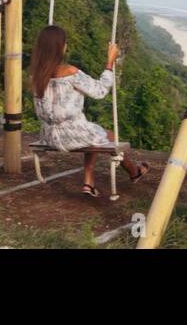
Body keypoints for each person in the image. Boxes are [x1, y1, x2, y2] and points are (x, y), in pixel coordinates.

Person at [29, 25, 150, 197]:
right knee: (106, 135)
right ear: (60, 47)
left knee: (93, 131)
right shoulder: (70, 72)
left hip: (49, 136)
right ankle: (126, 173)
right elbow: (100, 91)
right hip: (72, 135)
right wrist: (110, 63)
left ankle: (107, 178)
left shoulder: (36, 76)